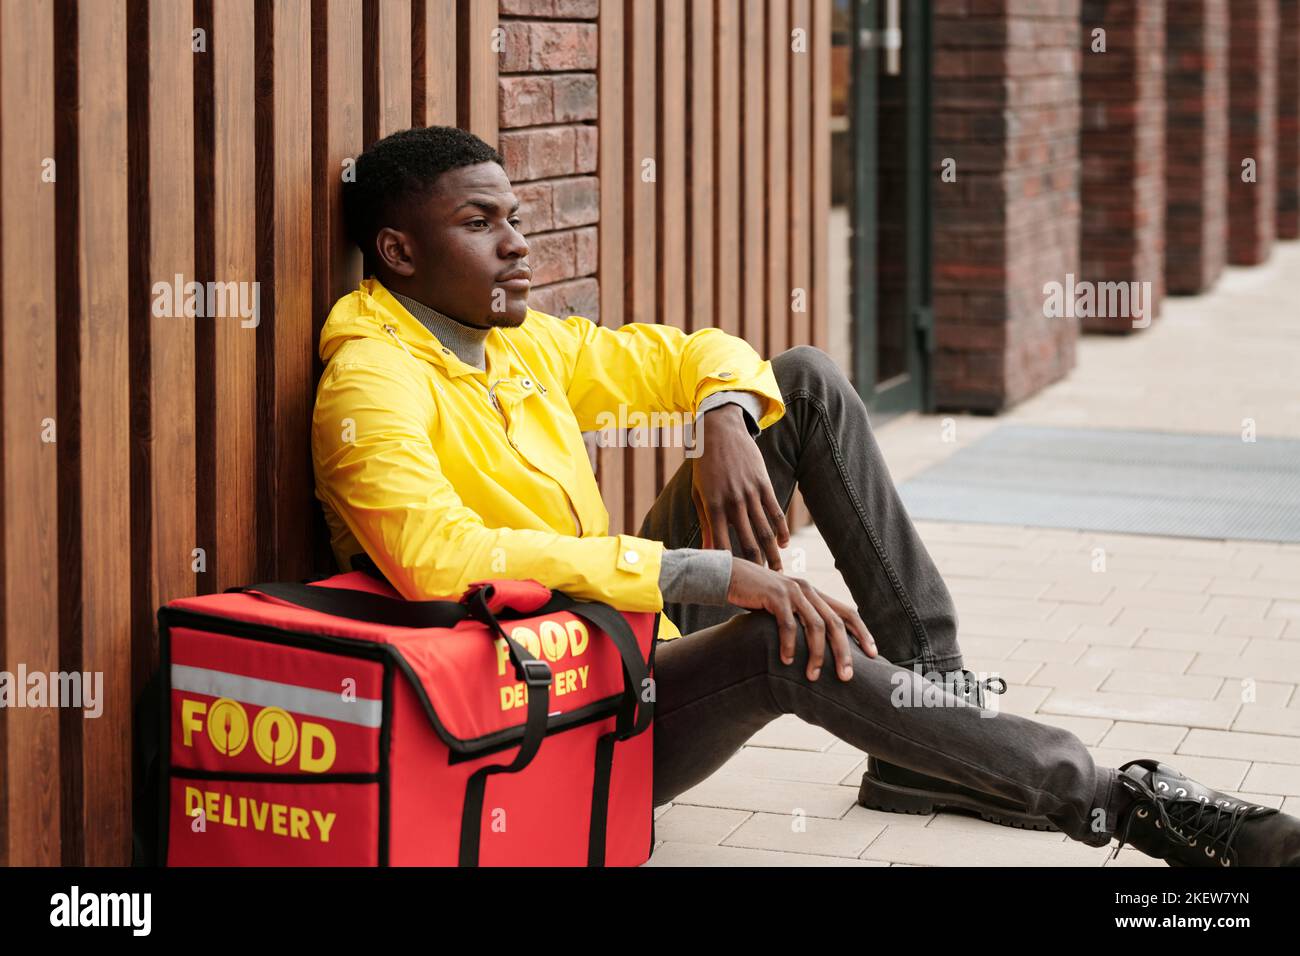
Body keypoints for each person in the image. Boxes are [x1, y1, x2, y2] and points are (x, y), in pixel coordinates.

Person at [310, 124, 1300, 867]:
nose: (518, 243)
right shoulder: (371, 379)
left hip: (613, 629)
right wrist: (706, 569)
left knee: (804, 379)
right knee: (780, 640)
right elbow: (432, 554)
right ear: (398, 253)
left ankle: (929, 711)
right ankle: (1111, 800)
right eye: (479, 223)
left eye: (516, 216)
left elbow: (688, 351)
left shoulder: (512, 340)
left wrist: (723, 413)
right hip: (551, 710)